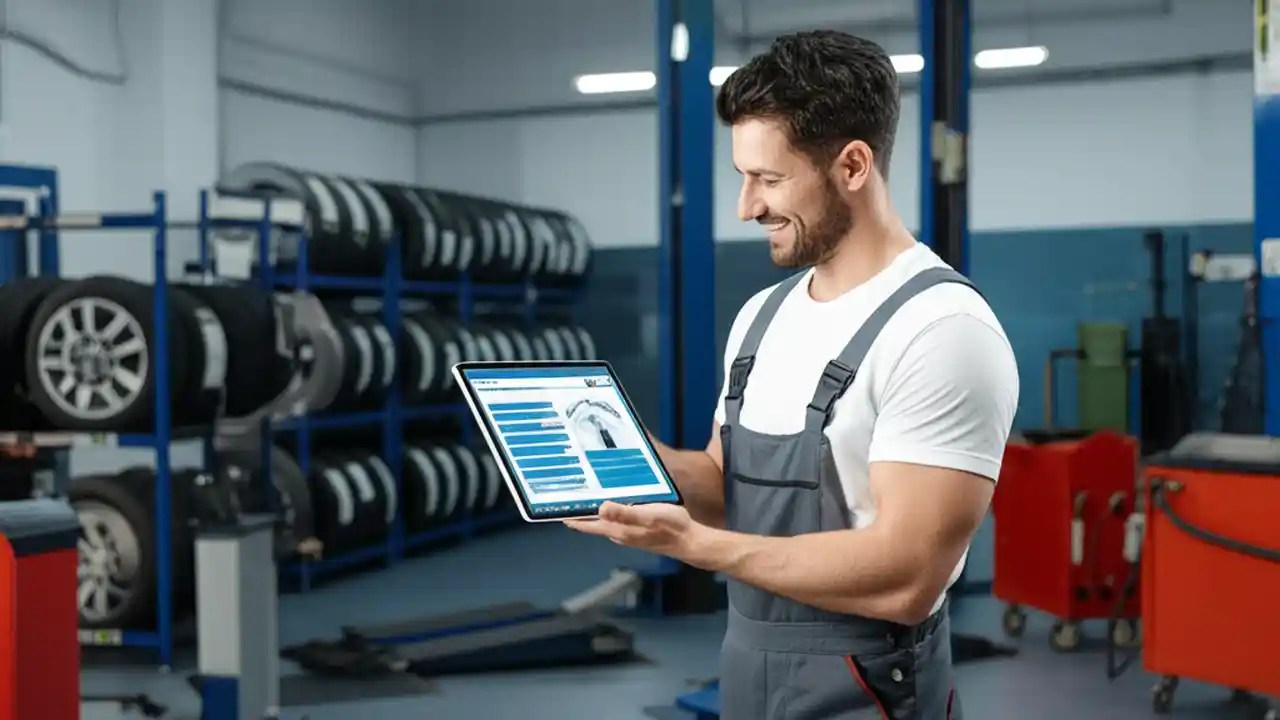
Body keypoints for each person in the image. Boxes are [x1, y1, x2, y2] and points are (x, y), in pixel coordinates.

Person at [566, 30, 1018, 720]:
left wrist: (699, 547)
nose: (748, 207)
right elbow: (725, 490)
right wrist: (621, 451)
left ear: (853, 166)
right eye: (744, 177)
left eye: (770, 180)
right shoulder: (761, 316)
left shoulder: (943, 331)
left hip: (869, 684)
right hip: (748, 667)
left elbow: (906, 578)